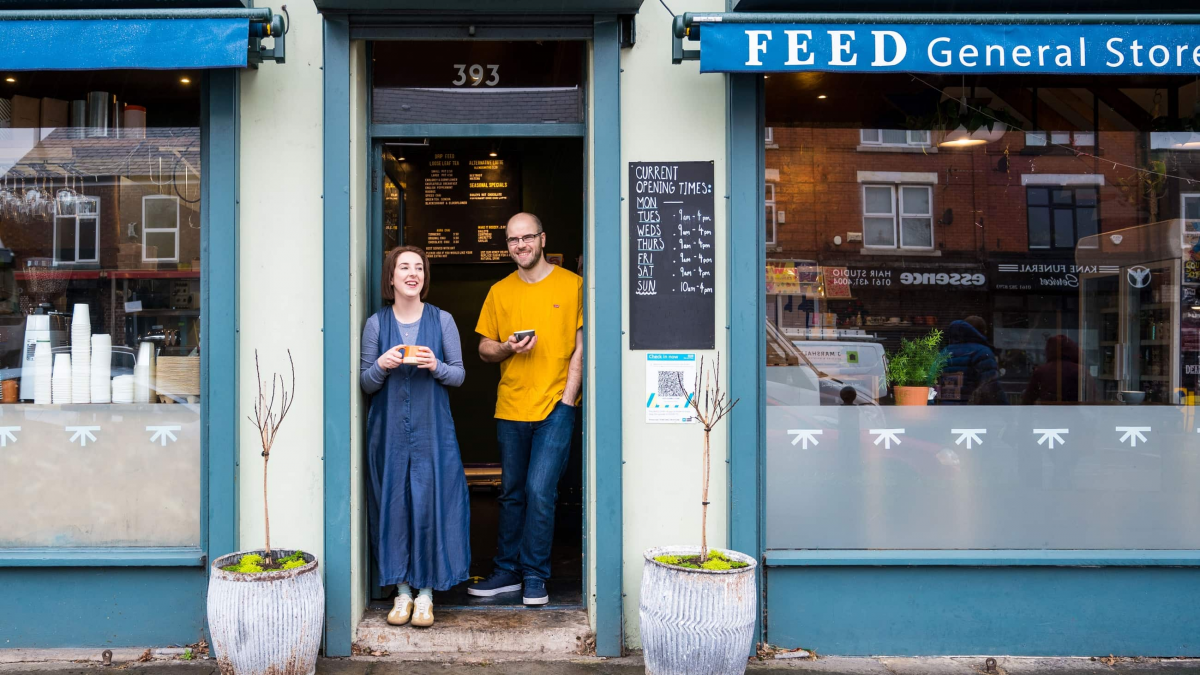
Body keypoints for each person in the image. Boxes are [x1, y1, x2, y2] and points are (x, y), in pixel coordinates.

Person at [469, 212, 583, 606]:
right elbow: (484, 348)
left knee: (540, 491)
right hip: (511, 406)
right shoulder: (500, 291)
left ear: (543, 238)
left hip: (555, 405)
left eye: (527, 238)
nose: (520, 245)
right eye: (513, 240)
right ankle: (507, 572)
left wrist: (568, 399)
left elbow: (582, 346)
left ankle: (535, 574)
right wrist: (507, 348)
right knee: (512, 493)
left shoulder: (574, 286)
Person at [360, 245, 470, 628]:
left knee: (431, 504)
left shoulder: (442, 321)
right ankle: (402, 592)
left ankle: (426, 594)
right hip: (388, 434)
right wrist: (381, 365)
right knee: (393, 506)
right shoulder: (376, 324)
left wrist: (435, 364)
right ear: (390, 278)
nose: (412, 273)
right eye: (403, 267)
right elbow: (365, 383)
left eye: (418, 268)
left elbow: (458, 374)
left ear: (425, 277)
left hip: (433, 432)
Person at [939, 316, 1007, 405]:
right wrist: (1006, 410)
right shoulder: (982, 352)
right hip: (972, 411)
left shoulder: (945, 351)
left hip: (946, 410)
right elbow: (991, 386)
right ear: (982, 332)